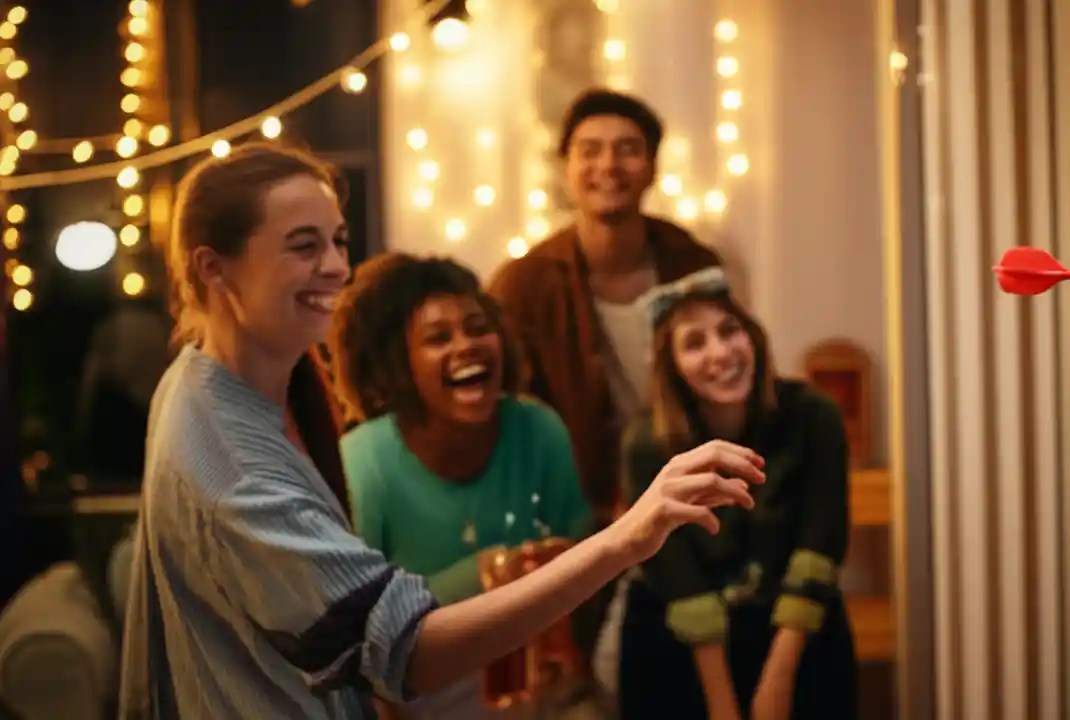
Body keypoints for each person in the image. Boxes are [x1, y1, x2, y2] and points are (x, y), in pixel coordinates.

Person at [116, 142, 765, 720]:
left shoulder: (218, 384)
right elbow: (405, 654)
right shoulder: (232, 455)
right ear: (213, 269)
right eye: (303, 245)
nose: (337, 267)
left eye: (339, 240)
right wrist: (631, 535)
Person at [328, 252, 594, 718]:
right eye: (437, 337)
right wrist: (487, 570)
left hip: (539, 683)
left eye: (477, 327)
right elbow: (357, 638)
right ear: (399, 364)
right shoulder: (362, 463)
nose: (466, 345)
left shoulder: (538, 428)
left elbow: (581, 561)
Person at [617, 267, 858, 719]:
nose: (721, 353)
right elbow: (679, 580)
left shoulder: (813, 415)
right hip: (683, 643)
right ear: (671, 367)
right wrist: (724, 706)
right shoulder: (646, 446)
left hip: (794, 629)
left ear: (753, 336)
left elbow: (820, 547)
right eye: (694, 343)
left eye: (730, 330)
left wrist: (778, 681)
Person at [488, 88, 721, 530]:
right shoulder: (524, 283)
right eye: (590, 151)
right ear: (567, 169)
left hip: (689, 496)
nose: (609, 166)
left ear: (652, 167)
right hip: (575, 514)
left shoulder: (691, 263)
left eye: (628, 150)